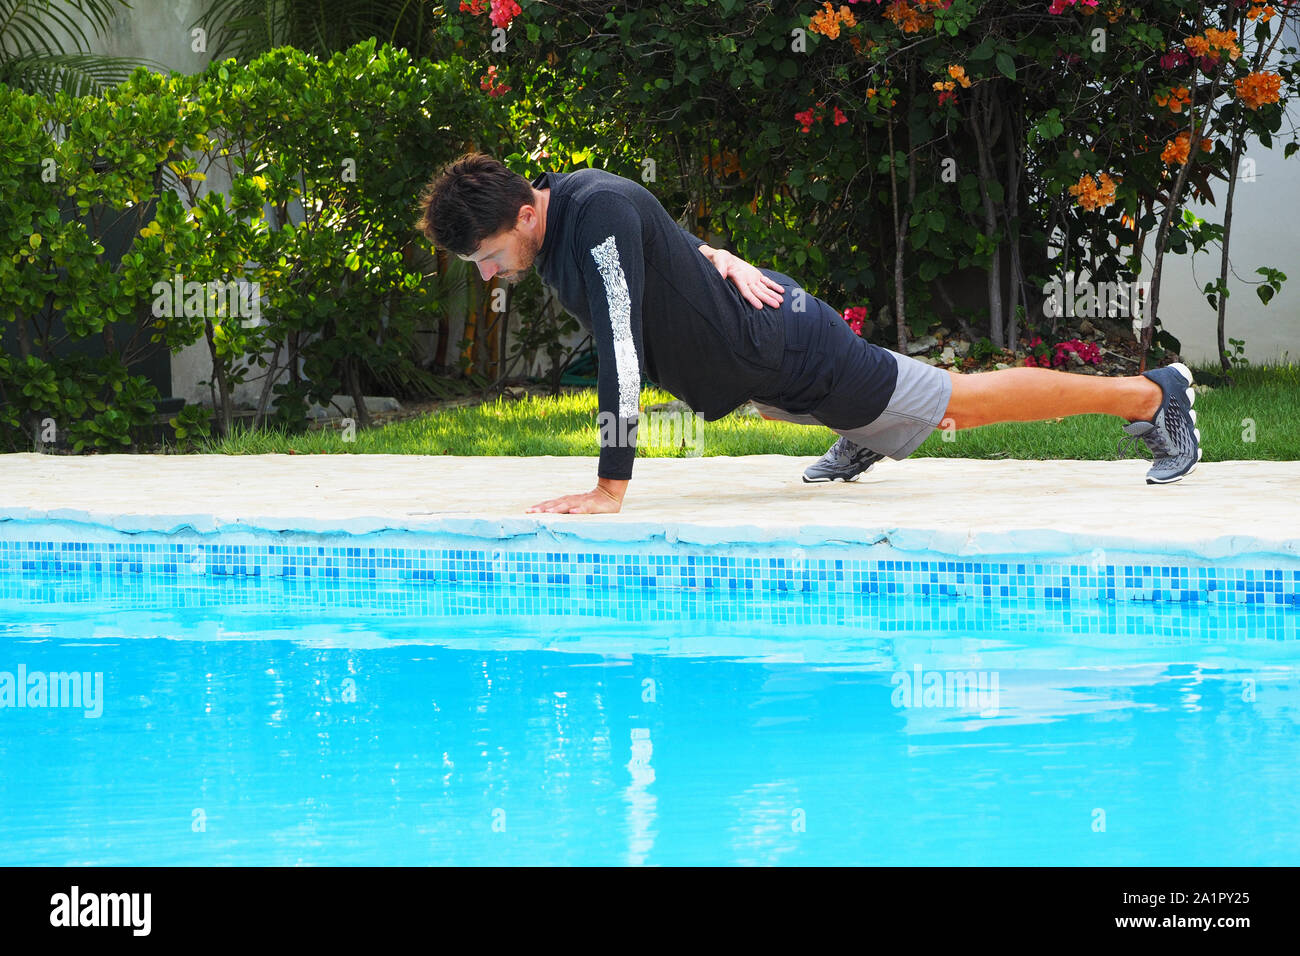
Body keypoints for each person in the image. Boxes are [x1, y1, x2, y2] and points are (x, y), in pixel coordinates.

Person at [417, 153, 1201, 514]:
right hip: (766, 356)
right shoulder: (567, 214)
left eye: (487, 256)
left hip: (789, 349)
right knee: (833, 400)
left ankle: (1149, 394)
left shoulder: (591, 214)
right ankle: (865, 428)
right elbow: (659, 239)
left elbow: (620, 346)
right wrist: (717, 255)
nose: (487, 275)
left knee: (957, 402)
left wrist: (609, 485)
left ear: (526, 214)